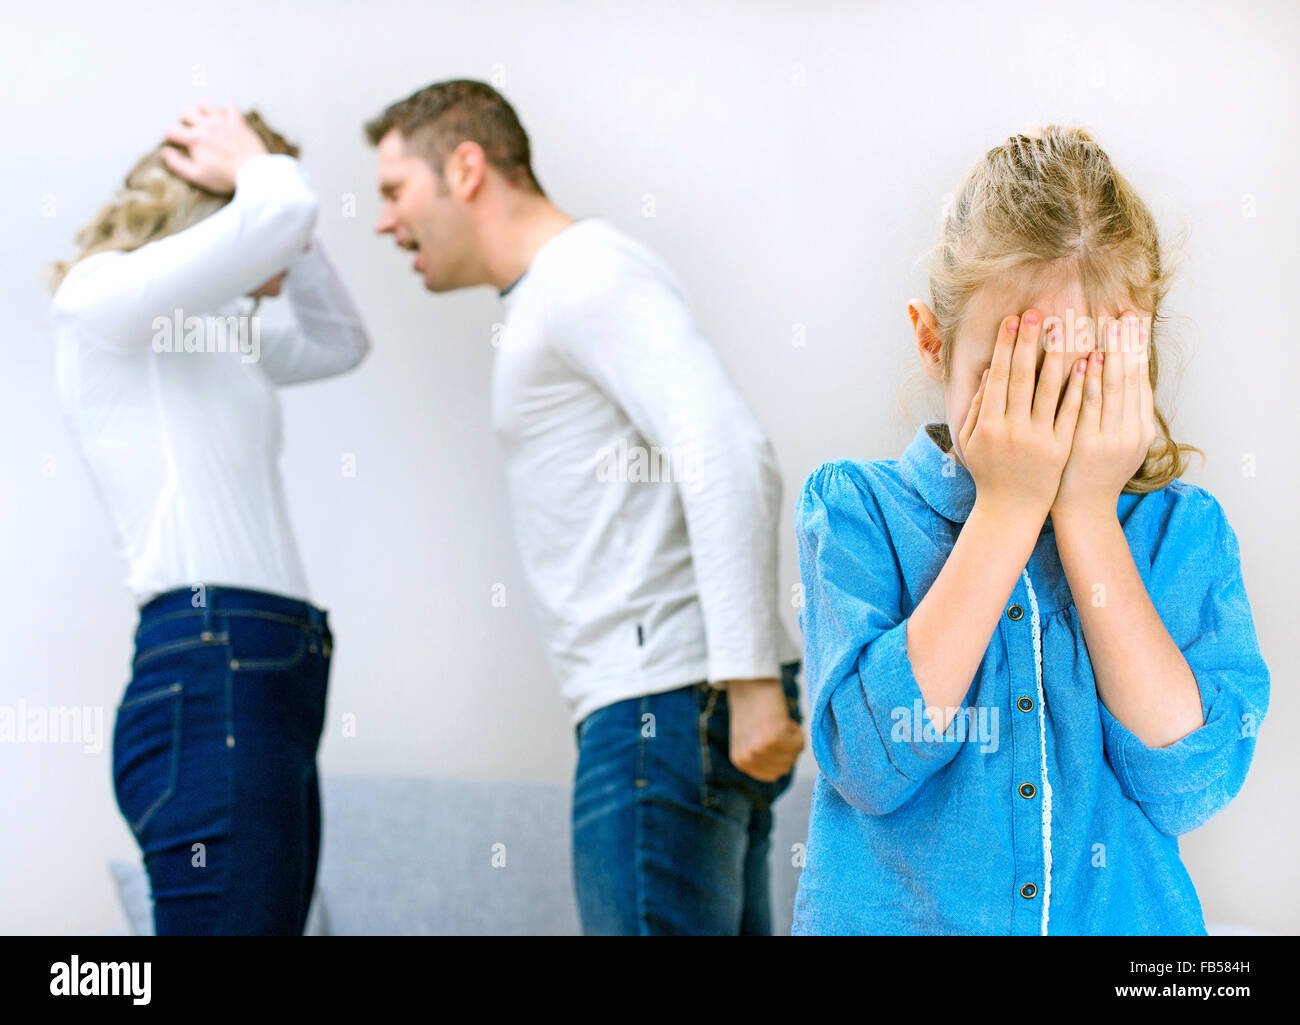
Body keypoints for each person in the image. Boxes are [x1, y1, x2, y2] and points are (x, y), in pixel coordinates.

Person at [793, 125, 1270, 935]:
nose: (1046, 420)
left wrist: (1084, 511)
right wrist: (1008, 508)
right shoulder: (854, 511)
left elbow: (1191, 783)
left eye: (1079, 381)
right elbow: (870, 763)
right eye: (1020, 377)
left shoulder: (1179, 533)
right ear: (933, 342)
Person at [364, 79, 805, 934]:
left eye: (392, 191)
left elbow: (725, 447)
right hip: (669, 707)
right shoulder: (553, 291)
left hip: (663, 706)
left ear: (466, 168)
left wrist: (749, 679)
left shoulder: (584, 274)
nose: (383, 220)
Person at [48, 101, 371, 934]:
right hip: (211, 665)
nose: (296, 239)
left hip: (272, 670)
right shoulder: (103, 301)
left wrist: (276, 205)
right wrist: (260, 169)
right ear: (221, 203)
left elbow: (342, 340)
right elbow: (284, 211)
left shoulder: (218, 338)